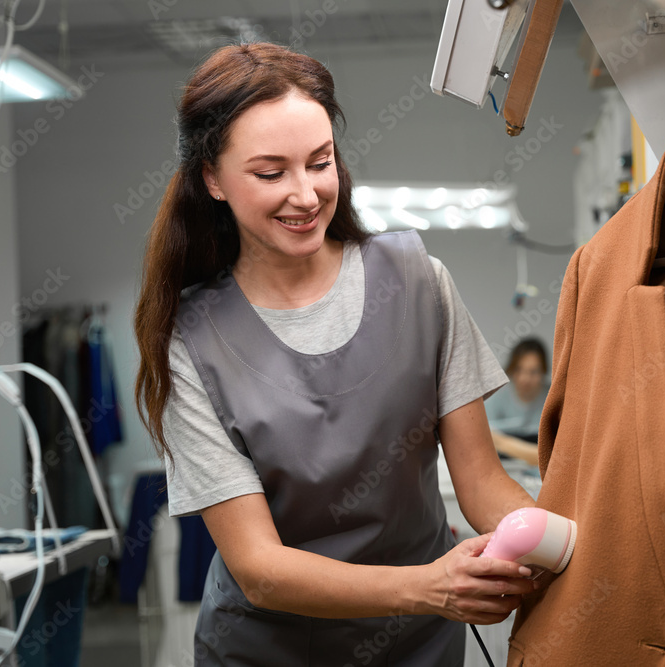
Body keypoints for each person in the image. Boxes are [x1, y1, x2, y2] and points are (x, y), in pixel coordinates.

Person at [133, 42, 537, 666]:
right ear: (212, 178)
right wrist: (429, 588)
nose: (305, 194)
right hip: (268, 650)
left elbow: (482, 487)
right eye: (271, 173)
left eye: (320, 162)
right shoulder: (189, 340)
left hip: (417, 646)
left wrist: (560, 540)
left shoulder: (419, 284)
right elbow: (261, 570)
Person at [485, 338, 550, 465]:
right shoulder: (497, 395)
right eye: (519, 370)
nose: (525, 378)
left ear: (543, 371)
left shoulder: (552, 397)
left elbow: (553, 457)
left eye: (533, 372)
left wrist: (503, 443)